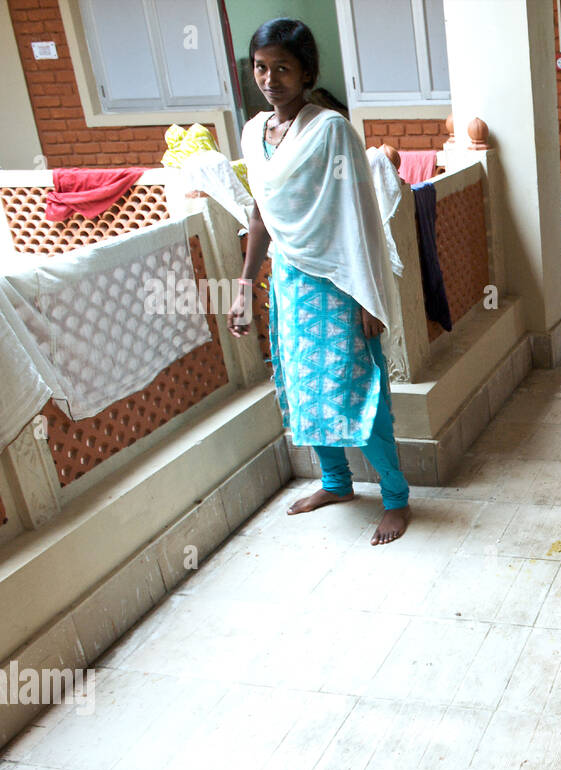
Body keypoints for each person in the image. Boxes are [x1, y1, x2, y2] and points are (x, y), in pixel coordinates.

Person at [228, 18, 409, 545]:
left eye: (282, 68)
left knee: (359, 390)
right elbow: (261, 215)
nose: (270, 79)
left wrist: (369, 296)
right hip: (289, 282)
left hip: (340, 283)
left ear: (307, 72)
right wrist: (245, 285)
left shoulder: (331, 131)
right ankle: (335, 483)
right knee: (306, 389)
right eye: (261, 68)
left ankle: (395, 497)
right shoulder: (253, 133)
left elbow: (359, 215)